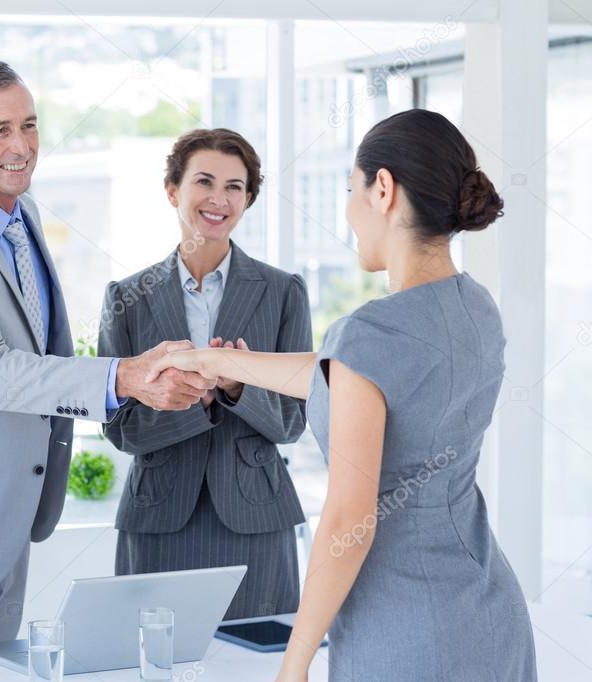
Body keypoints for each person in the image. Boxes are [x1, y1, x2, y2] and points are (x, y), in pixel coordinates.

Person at [148, 109, 537, 681]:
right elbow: (343, 376)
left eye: (350, 189)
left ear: (383, 190)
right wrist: (212, 359)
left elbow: (347, 522)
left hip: (402, 629)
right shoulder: (476, 308)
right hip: (488, 613)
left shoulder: (370, 334)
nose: (349, 210)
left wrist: (295, 660)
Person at [0, 58, 214, 654]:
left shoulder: (19, 212)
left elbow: (37, 347)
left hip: (4, 526)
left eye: (29, 125)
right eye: (0, 130)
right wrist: (124, 376)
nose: (22, 146)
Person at [98, 128, 312, 619]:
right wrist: (195, 399)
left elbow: (296, 421)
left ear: (248, 199)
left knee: (259, 665)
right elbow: (119, 429)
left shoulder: (283, 293)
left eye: (235, 187)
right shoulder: (126, 299)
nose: (219, 199)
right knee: (151, 661)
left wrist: (237, 388)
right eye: (204, 182)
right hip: (159, 518)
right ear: (173, 190)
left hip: (257, 521)